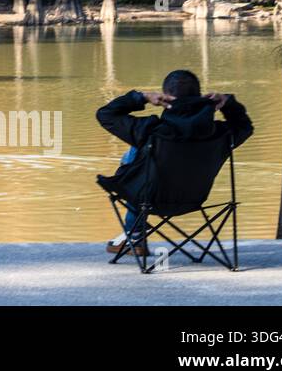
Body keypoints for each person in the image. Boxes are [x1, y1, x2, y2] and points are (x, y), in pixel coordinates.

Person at [96, 68, 252, 256]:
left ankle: (135, 235)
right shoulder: (221, 134)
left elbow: (105, 114)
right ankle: (134, 235)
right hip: (195, 199)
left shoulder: (150, 130)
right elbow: (245, 126)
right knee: (142, 152)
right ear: (199, 95)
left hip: (150, 200)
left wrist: (143, 97)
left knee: (135, 153)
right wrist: (227, 103)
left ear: (167, 97)